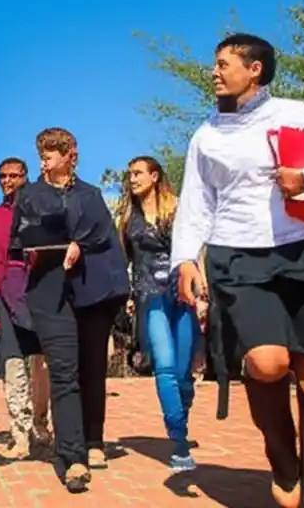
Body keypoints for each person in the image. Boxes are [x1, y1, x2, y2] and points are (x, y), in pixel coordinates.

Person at [172, 34, 304, 508]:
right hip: (238, 257)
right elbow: (196, 205)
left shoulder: (297, 114)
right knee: (267, 362)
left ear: (254, 70)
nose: (214, 73)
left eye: (223, 64)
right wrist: (186, 260)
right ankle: (282, 458)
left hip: (303, 250)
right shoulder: (206, 136)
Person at [10, 128, 130, 492]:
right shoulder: (29, 194)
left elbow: (99, 235)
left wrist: (78, 243)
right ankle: (73, 457)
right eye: (41, 153)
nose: (43, 159)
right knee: (62, 371)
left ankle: (93, 441)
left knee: (91, 369)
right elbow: (21, 236)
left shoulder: (91, 195)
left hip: (89, 291)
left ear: (68, 155)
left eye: (50, 152)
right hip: (49, 292)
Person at [117, 155, 199, 473]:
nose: (132, 178)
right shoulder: (127, 218)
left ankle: (182, 412)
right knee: (164, 367)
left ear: (154, 175)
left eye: (137, 173)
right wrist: (125, 294)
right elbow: (122, 259)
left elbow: (194, 251)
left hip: (182, 296)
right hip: (150, 298)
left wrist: (202, 293)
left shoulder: (178, 208)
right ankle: (178, 442)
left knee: (183, 375)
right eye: (130, 173)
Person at [0, 157, 50, 459]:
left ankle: (41, 425)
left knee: (43, 366)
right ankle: (19, 432)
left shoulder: (42, 211)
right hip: (6, 299)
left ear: (25, 177)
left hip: (41, 294)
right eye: (2, 176)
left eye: (14, 176)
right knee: (12, 365)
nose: (8, 181)